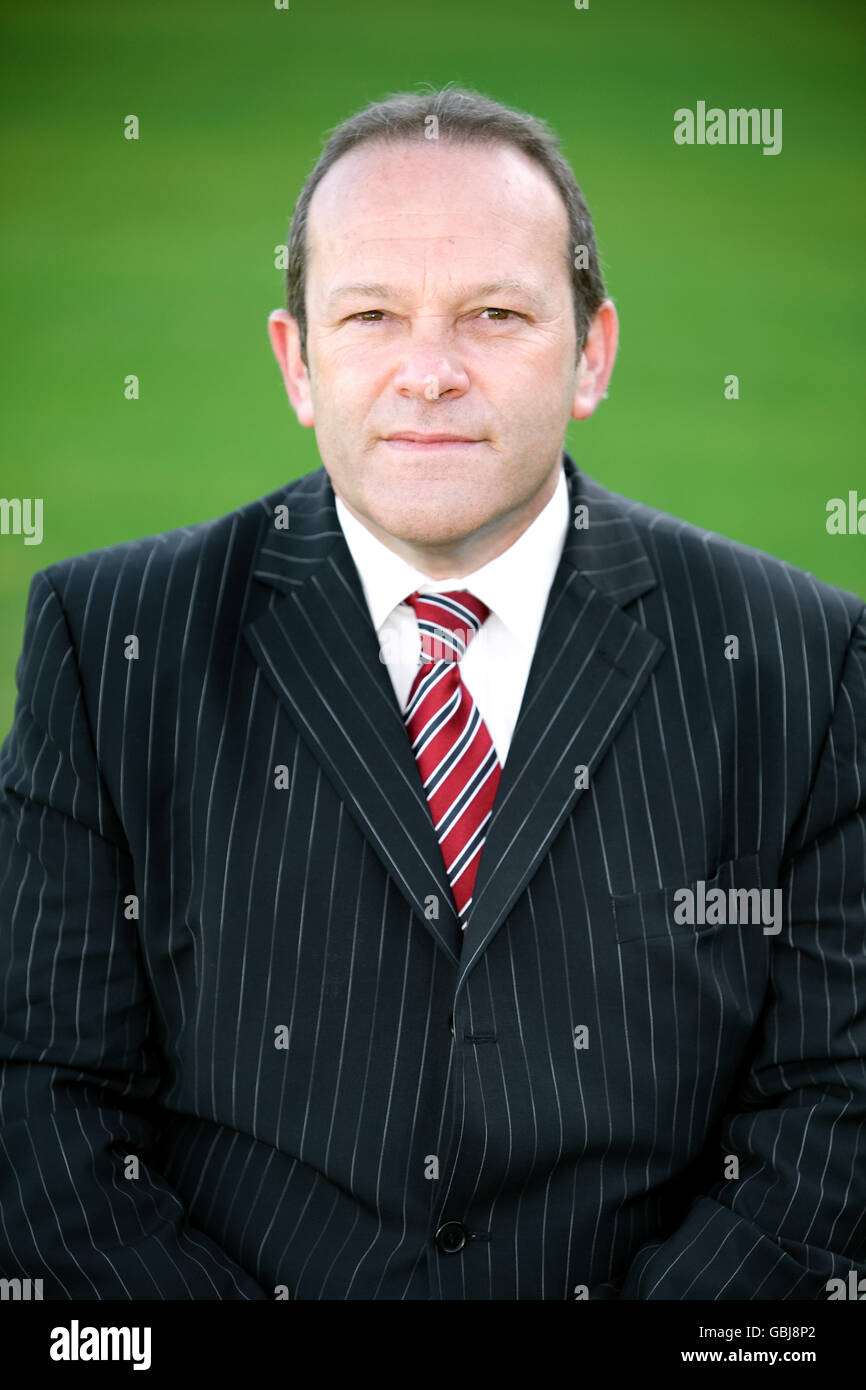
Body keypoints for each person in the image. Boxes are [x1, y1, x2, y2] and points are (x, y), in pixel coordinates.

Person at [0, 85, 864, 1301]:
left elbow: (835, 1103)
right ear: (298, 362)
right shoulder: (111, 643)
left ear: (591, 353)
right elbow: (40, 1093)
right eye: (370, 316)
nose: (429, 373)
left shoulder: (800, 657)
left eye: (495, 315)